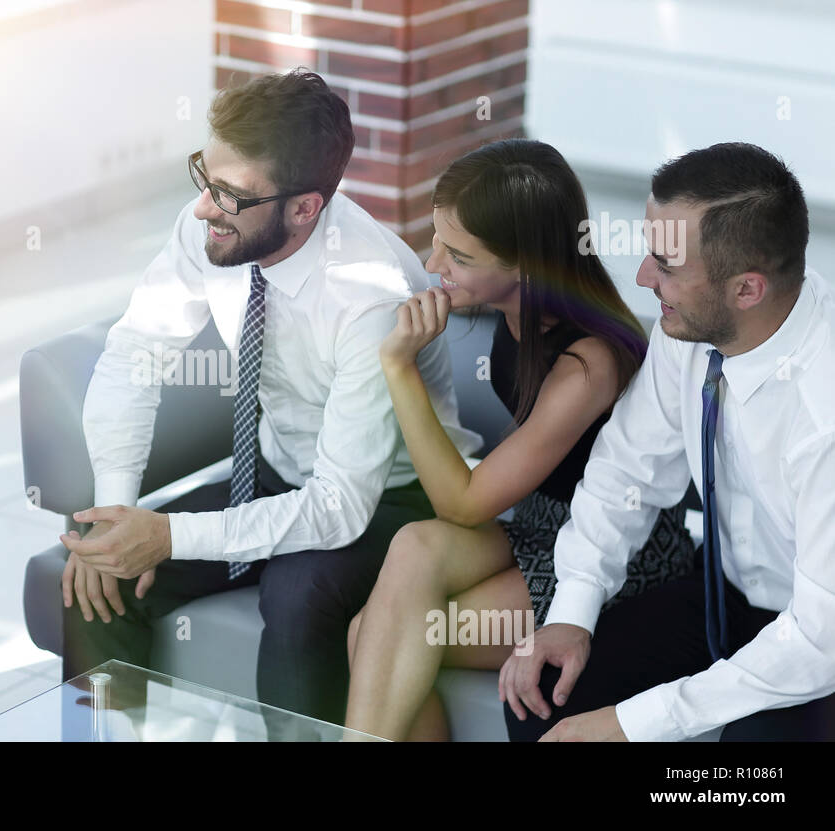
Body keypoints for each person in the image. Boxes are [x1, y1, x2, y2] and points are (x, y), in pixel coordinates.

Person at [58, 68, 481, 726]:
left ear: (305, 207)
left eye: (228, 194)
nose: (203, 206)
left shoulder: (368, 293)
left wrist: (167, 536)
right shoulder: (216, 224)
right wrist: (118, 516)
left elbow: (339, 507)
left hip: (393, 498)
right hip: (278, 470)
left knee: (297, 591)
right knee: (93, 572)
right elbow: (137, 352)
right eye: (204, 175)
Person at [344, 139, 695, 741]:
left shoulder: (588, 364)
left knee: (387, 634)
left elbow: (463, 502)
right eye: (437, 241)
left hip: (613, 550)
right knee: (410, 551)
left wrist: (400, 369)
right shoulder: (518, 312)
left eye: (457, 254)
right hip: (536, 522)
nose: (433, 265)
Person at [499, 142, 835, 742]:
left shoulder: (823, 412)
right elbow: (626, 471)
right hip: (725, 590)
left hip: (817, 635)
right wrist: (572, 611)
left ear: (747, 289)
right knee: (544, 698)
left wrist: (632, 724)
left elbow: (816, 636)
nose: (642, 278)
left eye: (666, 266)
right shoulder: (689, 331)